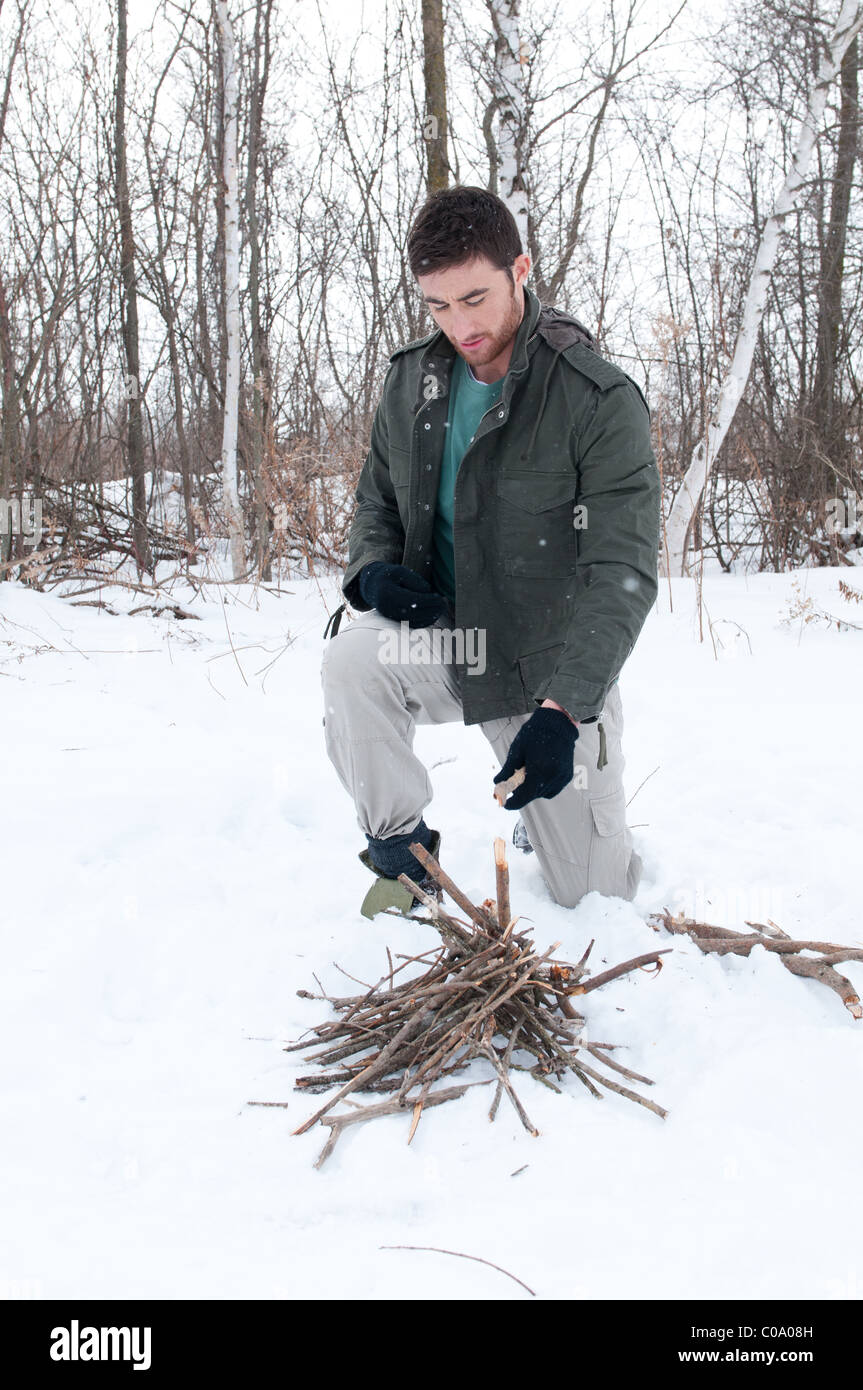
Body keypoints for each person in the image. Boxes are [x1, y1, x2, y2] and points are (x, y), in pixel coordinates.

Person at [321, 185, 660, 918]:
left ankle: (554, 818)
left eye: (473, 298)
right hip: (452, 638)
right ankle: (402, 858)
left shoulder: (594, 399)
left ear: (521, 269)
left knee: (596, 900)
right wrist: (371, 572)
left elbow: (621, 572)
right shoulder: (411, 378)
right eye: (438, 306)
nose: (459, 325)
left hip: (547, 670)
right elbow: (376, 497)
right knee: (352, 661)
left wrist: (564, 713)